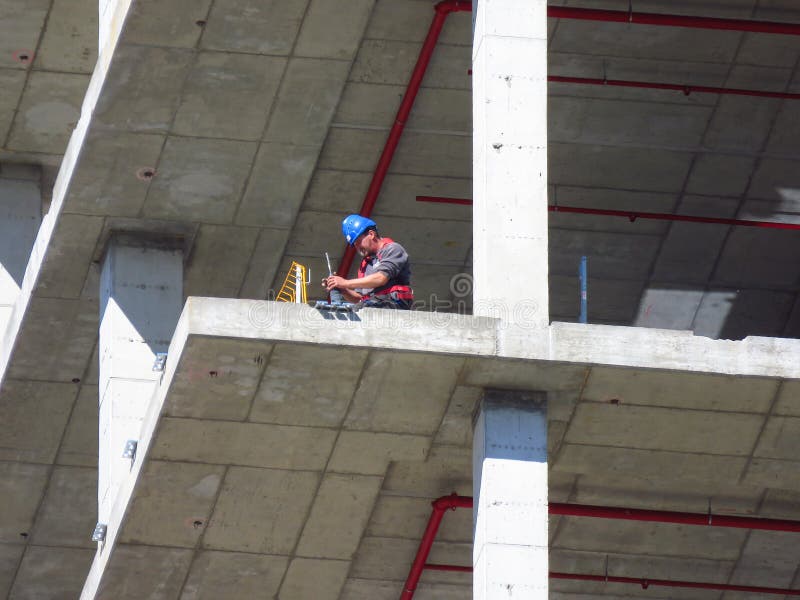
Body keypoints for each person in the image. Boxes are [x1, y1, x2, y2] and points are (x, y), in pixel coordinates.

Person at [322, 215, 413, 309]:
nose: (357, 247)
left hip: (394, 304)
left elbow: (381, 278)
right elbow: (359, 298)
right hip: (373, 305)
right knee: (350, 312)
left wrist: (345, 282)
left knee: (357, 311)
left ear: (371, 234)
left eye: (358, 241)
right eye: (355, 244)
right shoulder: (365, 264)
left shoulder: (392, 249)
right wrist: (342, 289)